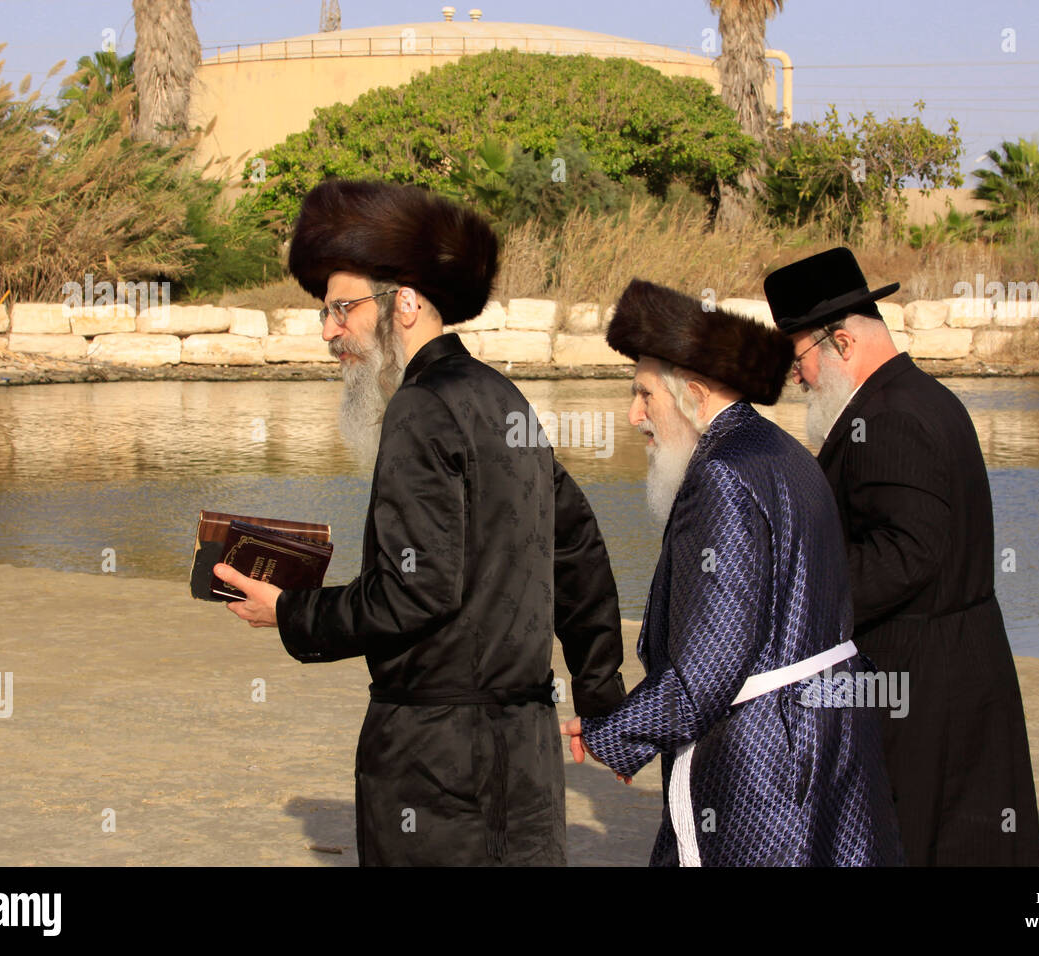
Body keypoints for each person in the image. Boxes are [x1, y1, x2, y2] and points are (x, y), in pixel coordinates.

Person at [214, 179, 626, 866]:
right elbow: (577, 547)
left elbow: (416, 591)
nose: (328, 332)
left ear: (402, 301)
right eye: (325, 314)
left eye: (342, 309)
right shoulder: (502, 397)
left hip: (438, 765)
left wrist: (292, 613)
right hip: (523, 758)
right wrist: (601, 694)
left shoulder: (419, 408)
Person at [561, 279, 903, 867]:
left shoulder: (720, 475)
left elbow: (708, 669)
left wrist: (613, 734)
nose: (633, 414)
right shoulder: (782, 450)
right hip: (826, 736)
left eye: (645, 395)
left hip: (762, 759)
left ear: (692, 394)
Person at [765, 246, 1039, 866]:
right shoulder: (921, 397)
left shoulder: (889, 418)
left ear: (840, 343)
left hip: (918, 685)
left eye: (799, 360)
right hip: (953, 665)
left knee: (916, 839)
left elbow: (906, 553)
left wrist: (795, 596)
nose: (798, 379)